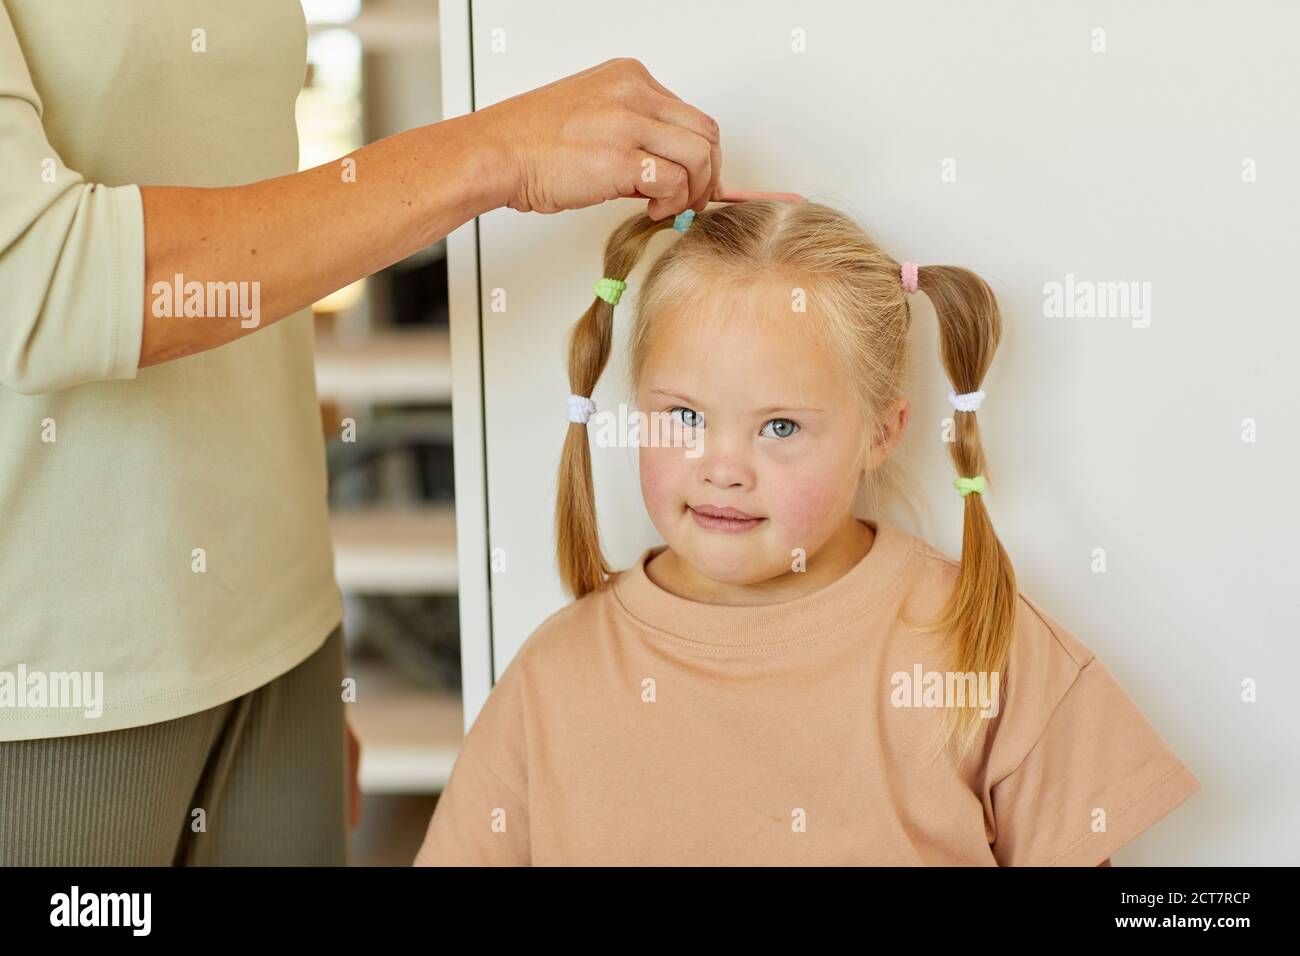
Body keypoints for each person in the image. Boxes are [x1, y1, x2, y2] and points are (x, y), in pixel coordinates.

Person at [0, 0, 720, 865]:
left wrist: (290, 644)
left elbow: (251, 241)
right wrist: (494, 153)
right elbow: (34, 276)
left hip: (271, 639)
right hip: (48, 688)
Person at [412, 200, 1201, 866]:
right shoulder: (556, 673)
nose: (724, 468)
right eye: (685, 416)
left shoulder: (974, 638)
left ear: (881, 434)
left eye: (780, 425)